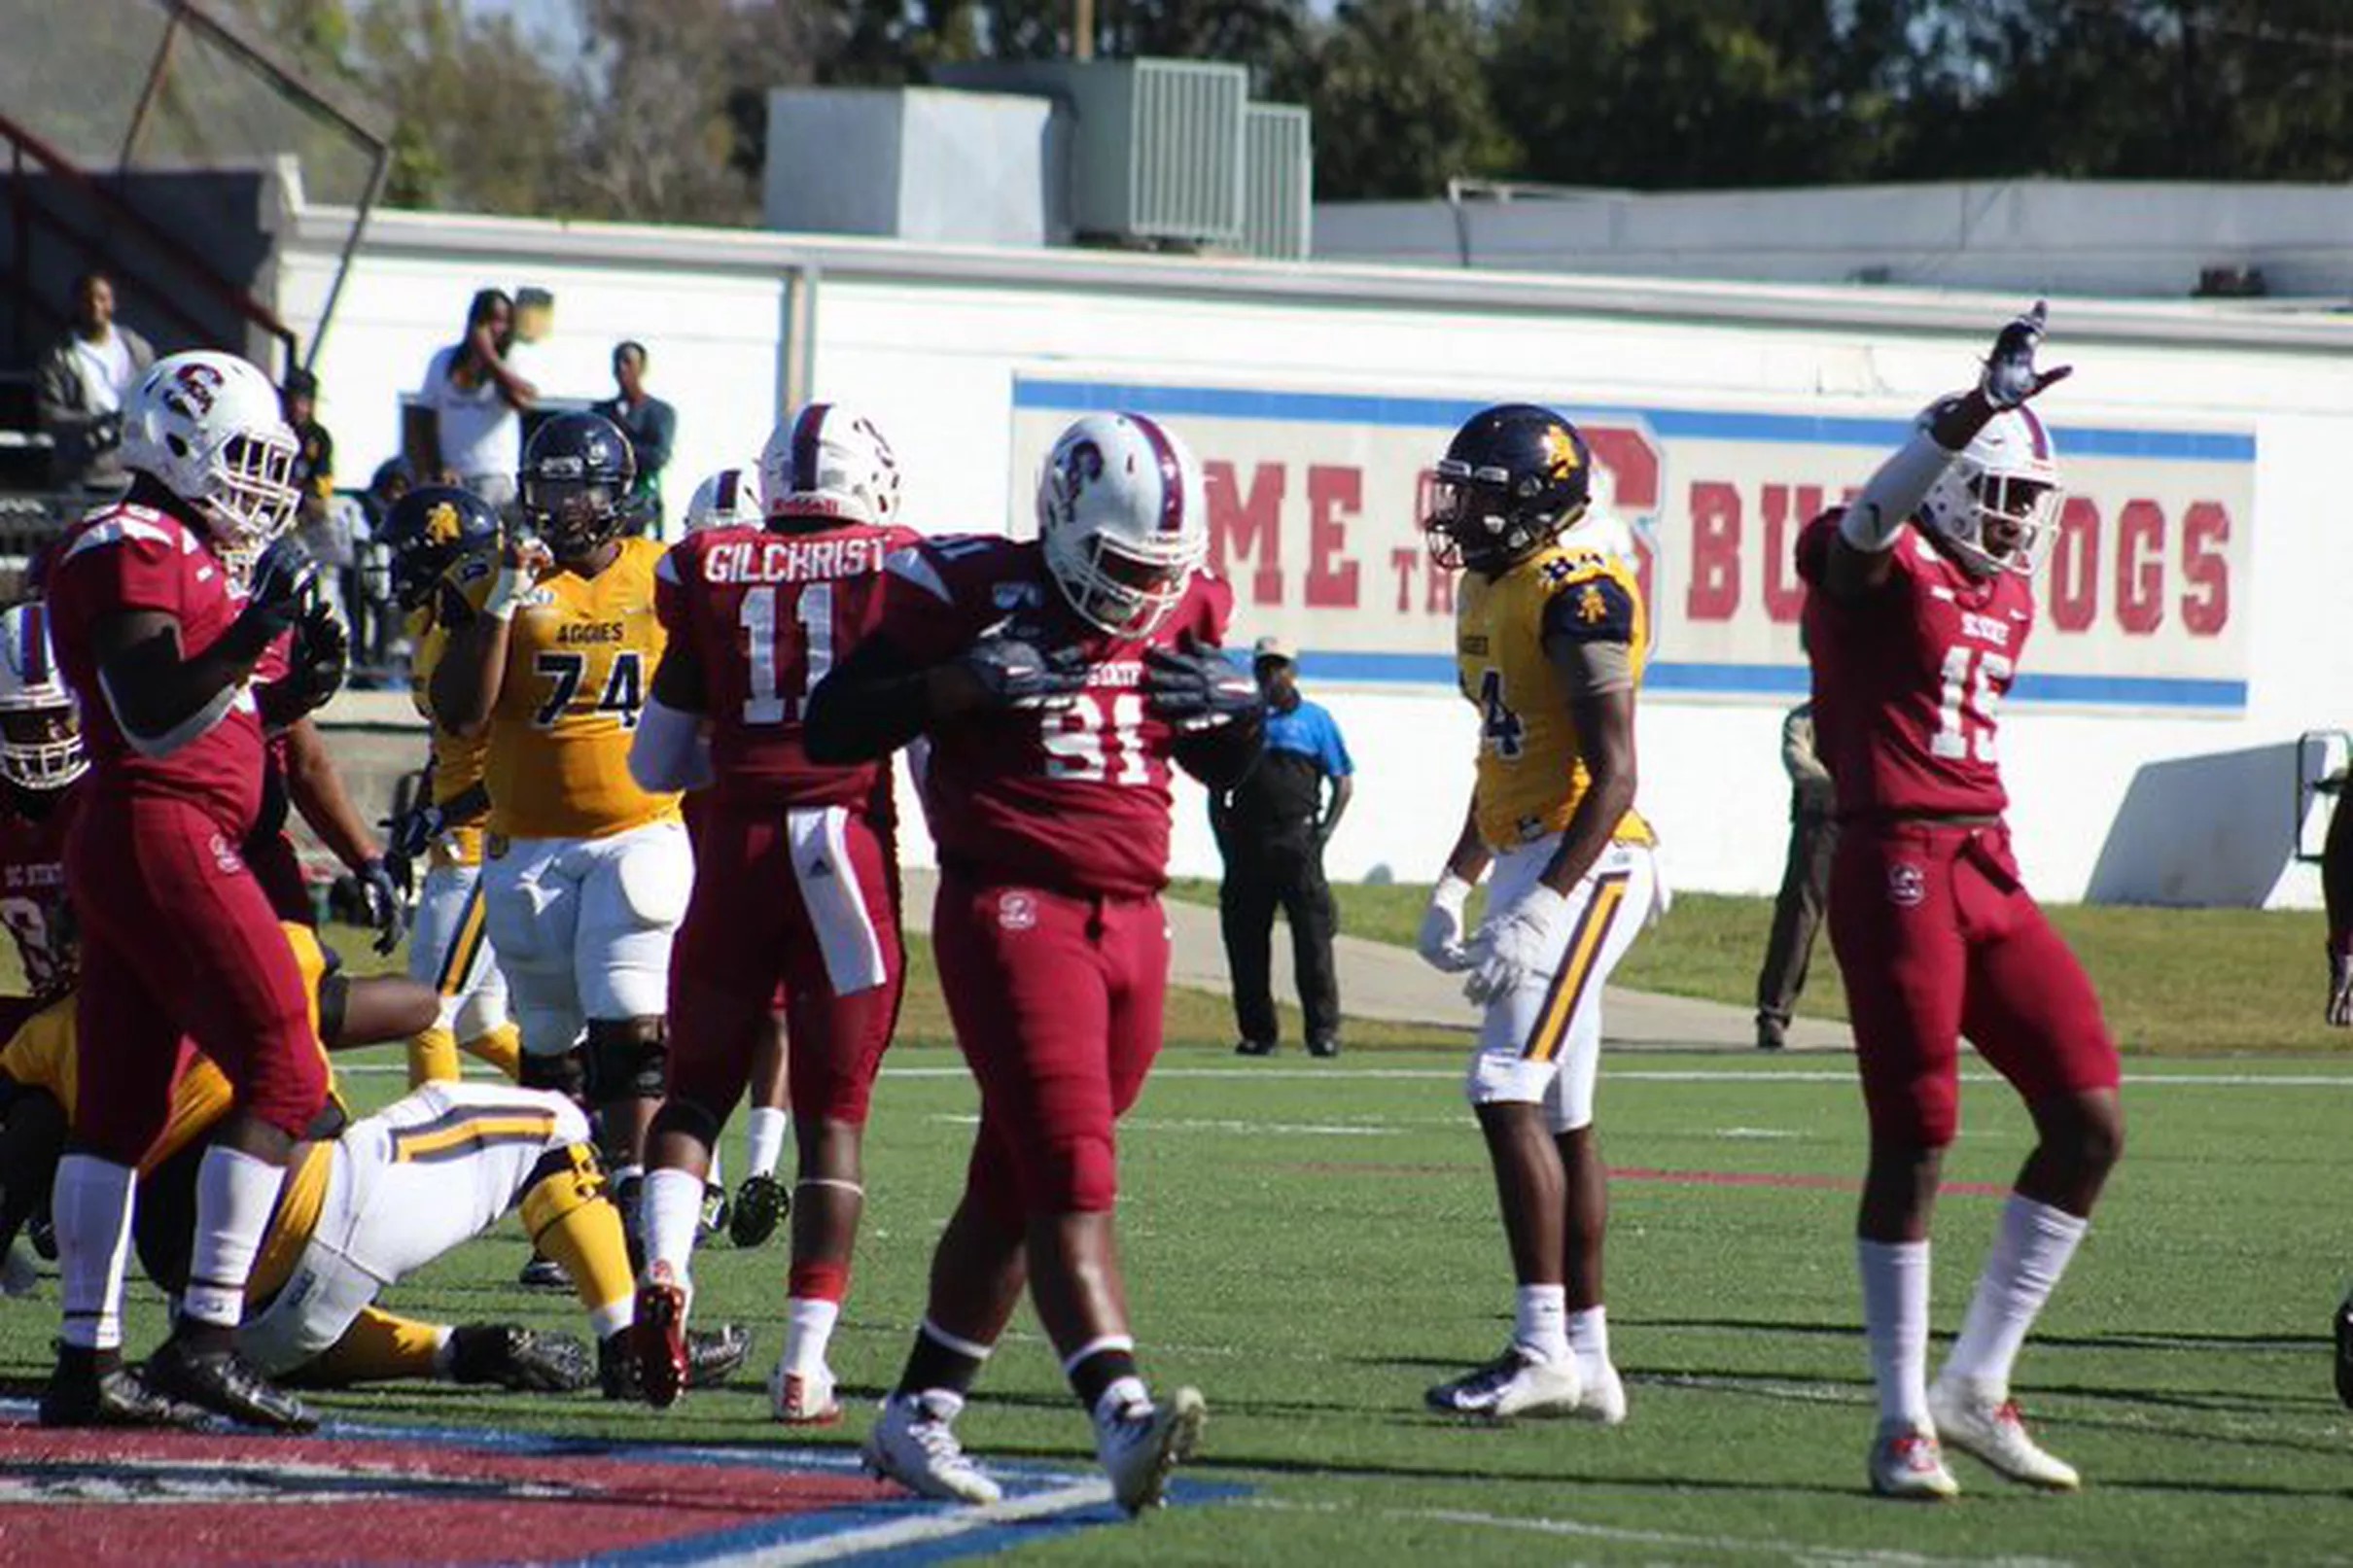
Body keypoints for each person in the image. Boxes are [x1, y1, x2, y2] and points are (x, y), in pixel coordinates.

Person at [804, 410, 1262, 1515]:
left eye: (1158, 569)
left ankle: (918, 1413)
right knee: (1070, 1170)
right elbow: (832, 723)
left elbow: (1223, 759)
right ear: (1059, 525)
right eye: (1118, 565)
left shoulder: (1183, 604)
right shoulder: (958, 587)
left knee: (1013, 1183)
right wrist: (950, 687)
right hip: (1013, 905)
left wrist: (1238, 716)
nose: (1140, 594)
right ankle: (1120, 1413)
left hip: (1137, 919)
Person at [1797, 301, 2121, 1500]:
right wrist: (1969, 411)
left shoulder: (2003, 587)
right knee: (1918, 1132)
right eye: (1996, 494)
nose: (2013, 523)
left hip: (1985, 857)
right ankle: (1897, 1420)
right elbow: (1860, 535)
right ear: (1941, 485)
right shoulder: (1873, 557)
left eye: (2028, 505)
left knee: (2088, 1113)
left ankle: (1973, 1383)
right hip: (1891, 861)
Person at [39, 349, 347, 1431]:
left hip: (151, 833)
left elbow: (228, 711)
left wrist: (297, 670)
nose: (263, 485)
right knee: (287, 1061)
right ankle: (205, 1338)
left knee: (120, 1109)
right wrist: (258, 629)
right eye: (248, 459)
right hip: (160, 825)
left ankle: (87, 1358)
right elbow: (150, 710)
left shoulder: (192, 554)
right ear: (177, 442)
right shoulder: (132, 542)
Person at [628, 405, 919, 1418]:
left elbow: (651, 763)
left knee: (693, 1093)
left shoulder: (709, 568)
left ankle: (663, 1272)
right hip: (840, 851)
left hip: (733, 851)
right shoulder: (889, 568)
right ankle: (802, 1365)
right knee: (832, 1123)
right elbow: (928, 754)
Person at [1411, 404, 1656, 1428]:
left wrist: (1542, 901)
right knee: (1561, 1112)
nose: (1454, 509)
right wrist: (1454, 877)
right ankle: (1590, 1361)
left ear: (1533, 504)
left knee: (1502, 1082)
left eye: (1476, 493)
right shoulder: (1488, 586)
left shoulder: (1578, 591)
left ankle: (1539, 1343)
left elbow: (1614, 772)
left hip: (1590, 863)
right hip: (1526, 853)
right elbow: (1505, 754)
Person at [429, 409, 688, 1332]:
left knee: (634, 1036)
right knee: (549, 1054)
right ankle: (566, 1219)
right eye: (553, 485)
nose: (567, 505)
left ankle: (651, 1231)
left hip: (636, 829)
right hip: (526, 843)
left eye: (585, 486)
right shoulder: (492, 571)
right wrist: (501, 594)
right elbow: (461, 711)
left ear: (619, 494)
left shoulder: (663, 572)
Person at [376, 485, 523, 1091]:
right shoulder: (434, 624)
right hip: (455, 839)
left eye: (404, 556)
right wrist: (416, 825)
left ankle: (432, 1160)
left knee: (427, 1009)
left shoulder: (485, 632)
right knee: (479, 1022)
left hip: (486, 839)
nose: (393, 571)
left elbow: (520, 758)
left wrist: (442, 817)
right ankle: (592, 1092)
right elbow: (444, 749)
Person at [1212, 635, 1352, 1059]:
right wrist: (1226, 843)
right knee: (1246, 944)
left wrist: (1323, 833)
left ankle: (1322, 1032)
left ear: (1293, 671)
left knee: (1313, 942)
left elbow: (1342, 782)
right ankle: (1258, 1033)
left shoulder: (1314, 720)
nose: (1272, 675)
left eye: (1279, 666)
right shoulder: (1238, 720)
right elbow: (1217, 788)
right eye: (1264, 667)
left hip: (1298, 841)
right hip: (1247, 845)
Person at [1754, 700, 1838, 1051]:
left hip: (1872, 822)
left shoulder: (1874, 710)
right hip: (1821, 822)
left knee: (1878, 926)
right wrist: (1846, 785)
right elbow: (1799, 763)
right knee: (1798, 917)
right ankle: (1773, 1014)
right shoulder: (1804, 718)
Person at [36, 272, 156, 497]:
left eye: (102, 298)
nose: (95, 306)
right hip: (79, 474)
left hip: (129, 473)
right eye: (87, 299)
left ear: (113, 303)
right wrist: (97, 422)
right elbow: (49, 414)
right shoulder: (59, 357)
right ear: (76, 304)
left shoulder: (136, 348)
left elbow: (155, 398)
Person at [416, 289, 537, 506]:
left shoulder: (512, 358)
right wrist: (436, 466)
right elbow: (425, 416)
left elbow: (524, 400)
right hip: (453, 476)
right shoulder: (443, 360)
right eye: (489, 321)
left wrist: (489, 358)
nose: (496, 329)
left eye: (502, 322)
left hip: (494, 474)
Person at [592, 341, 678, 538]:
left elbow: (658, 456)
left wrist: (619, 447)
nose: (622, 368)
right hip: (605, 497)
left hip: (641, 495)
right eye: (618, 363)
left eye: (628, 362)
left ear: (642, 368)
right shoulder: (601, 412)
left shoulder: (660, 412)